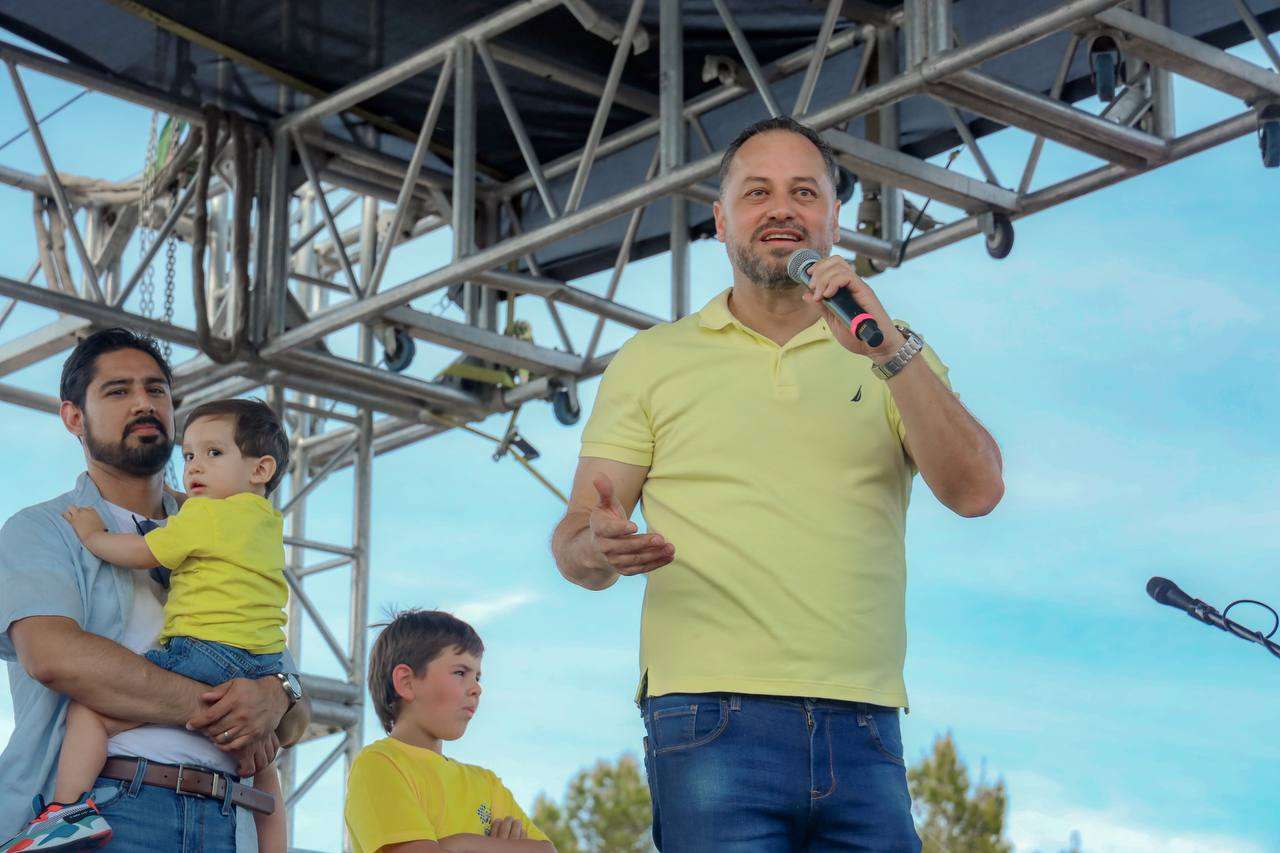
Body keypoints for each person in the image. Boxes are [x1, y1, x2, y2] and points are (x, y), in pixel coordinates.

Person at [551, 116, 1005, 852]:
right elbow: (574, 540)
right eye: (757, 192)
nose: (782, 208)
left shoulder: (891, 345)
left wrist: (888, 349)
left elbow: (977, 490)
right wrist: (599, 546)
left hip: (867, 720)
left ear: (833, 216)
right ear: (721, 219)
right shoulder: (653, 359)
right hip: (708, 717)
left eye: (804, 191)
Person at [0, 328, 309, 853]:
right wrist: (230, 711)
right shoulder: (44, 528)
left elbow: (293, 708)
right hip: (111, 808)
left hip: (227, 818)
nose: (144, 403)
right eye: (118, 391)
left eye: (157, 390)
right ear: (74, 417)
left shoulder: (228, 525)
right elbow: (55, 658)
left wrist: (277, 695)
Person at [344, 609, 554, 853]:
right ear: (406, 682)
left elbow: (546, 850)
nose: (476, 688)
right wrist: (495, 846)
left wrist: (457, 845)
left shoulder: (487, 783)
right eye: (460, 673)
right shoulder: (378, 765)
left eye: (478, 677)